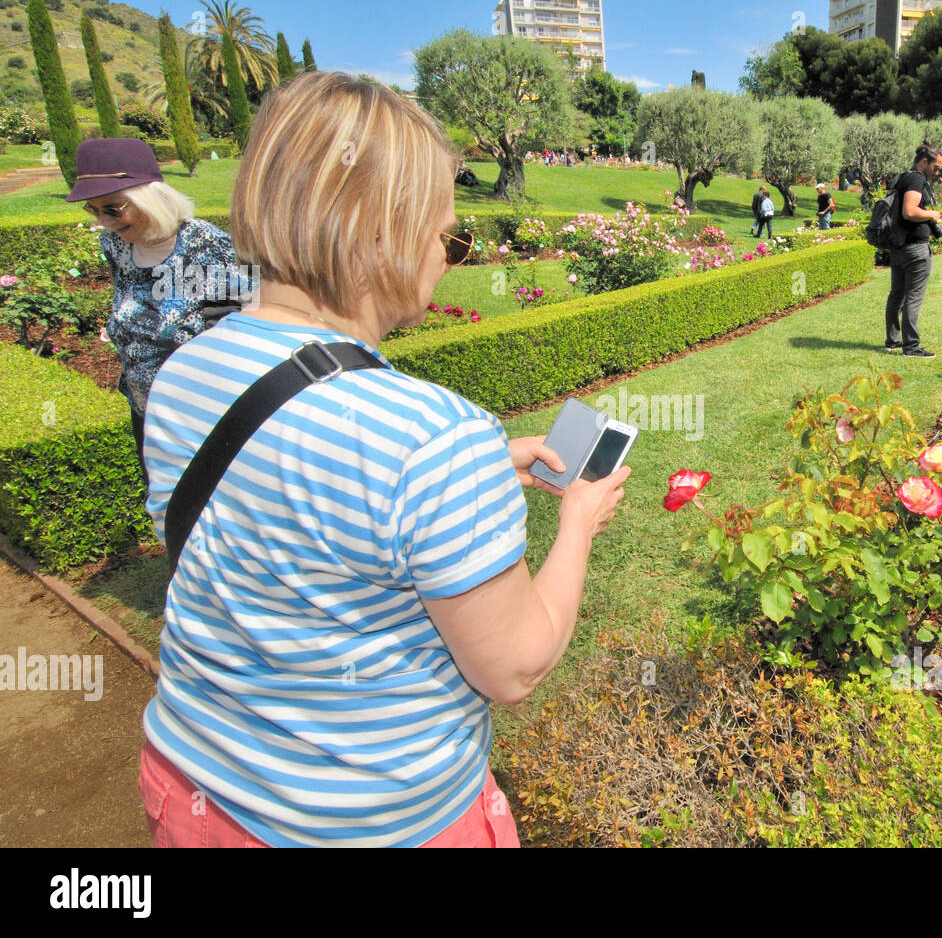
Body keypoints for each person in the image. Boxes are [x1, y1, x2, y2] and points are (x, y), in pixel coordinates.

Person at [135, 71, 631, 849]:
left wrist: (476, 470)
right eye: (449, 235)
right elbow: (516, 666)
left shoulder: (187, 370)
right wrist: (578, 520)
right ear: (381, 233)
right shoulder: (431, 436)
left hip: (196, 783)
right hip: (368, 824)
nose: (450, 257)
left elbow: (284, 493)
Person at [65, 138, 251, 482]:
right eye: (93, 210)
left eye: (113, 208)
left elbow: (242, 336)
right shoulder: (116, 245)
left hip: (202, 420)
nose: (104, 222)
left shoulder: (206, 248)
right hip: (146, 412)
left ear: (150, 197)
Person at [884, 141, 942, 359]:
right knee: (913, 296)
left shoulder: (902, 177)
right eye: (936, 167)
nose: (937, 173)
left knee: (897, 294)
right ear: (925, 162)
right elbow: (909, 211)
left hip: (898, 245)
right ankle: (911, 346)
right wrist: (931, 215)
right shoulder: (917, 179)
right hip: (914, 248)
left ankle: (892, 341)